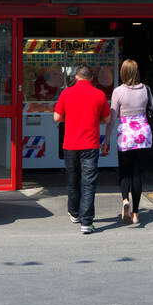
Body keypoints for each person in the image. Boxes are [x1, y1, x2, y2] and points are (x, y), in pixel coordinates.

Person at [53, 64, 111, 234]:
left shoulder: (66, 93)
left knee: (72, 179)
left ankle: (74, 213)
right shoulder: (99, 94)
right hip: (90, 145)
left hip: (70, 144)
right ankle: (87, 222)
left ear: (76, 77)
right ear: (92, 78)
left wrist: (69, 117)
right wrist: (94, 120)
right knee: (88, 183)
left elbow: (57, 118)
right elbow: (107, 119)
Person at [111, 58, 153, 226]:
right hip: (143, 136)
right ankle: (136, 213)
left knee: (124, 172)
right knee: (137, 173)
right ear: (137, 72)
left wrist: (107, 137)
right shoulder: (146, 89)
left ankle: (125, 200)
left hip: (126, 136)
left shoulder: (118, 91)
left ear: (123, 72)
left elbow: (113, 117)